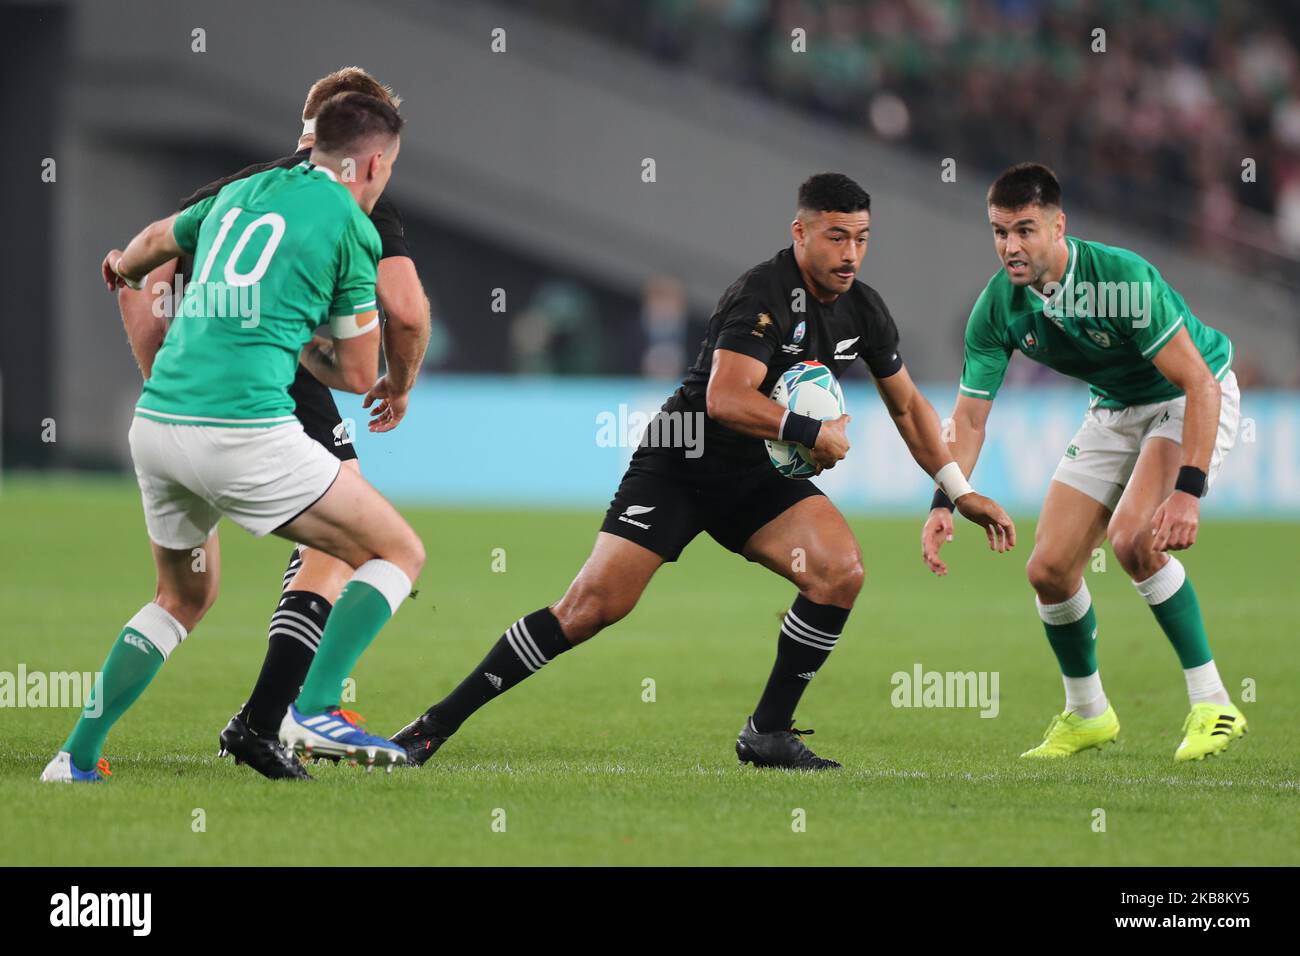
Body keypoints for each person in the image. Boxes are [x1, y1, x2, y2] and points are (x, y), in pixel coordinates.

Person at [391, 172, 1015, 771]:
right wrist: (810, 432)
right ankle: (432, 726)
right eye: (836, 237)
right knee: (590, 608)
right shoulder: (762, 296)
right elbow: (725, 398)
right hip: (682, 461)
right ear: (799, 233)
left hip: (759, 475)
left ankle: (767, 733)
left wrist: (956, 492)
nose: (851, 253)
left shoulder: (866, 311)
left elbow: (907, 405)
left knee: (839, 572)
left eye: (861, 238)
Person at [41, 92, 421, 782]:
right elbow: (362, 373)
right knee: (396, 551)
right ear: (371, 164)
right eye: (388, 167)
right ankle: (299, 710)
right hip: (243, 431)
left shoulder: (243, 190)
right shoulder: (351, 227)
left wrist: (122, 268)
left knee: (182, 597)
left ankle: (76, 758)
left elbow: (155, 239)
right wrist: (297, 337)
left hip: (158, 424)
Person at [922, 163, 1246, 762]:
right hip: (1115, 410)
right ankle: (1088, 714)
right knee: (1047, 569)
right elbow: (969, 421)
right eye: (999, 231)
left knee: (1132, 540)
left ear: (1058, 225)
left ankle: (1213, 702)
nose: (1010, 246)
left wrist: (1188, 490)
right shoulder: (996, 309)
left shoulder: (1122, 279)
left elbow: (1199, 383)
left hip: (1188, 395)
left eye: (1024, 229)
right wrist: (948, 498)